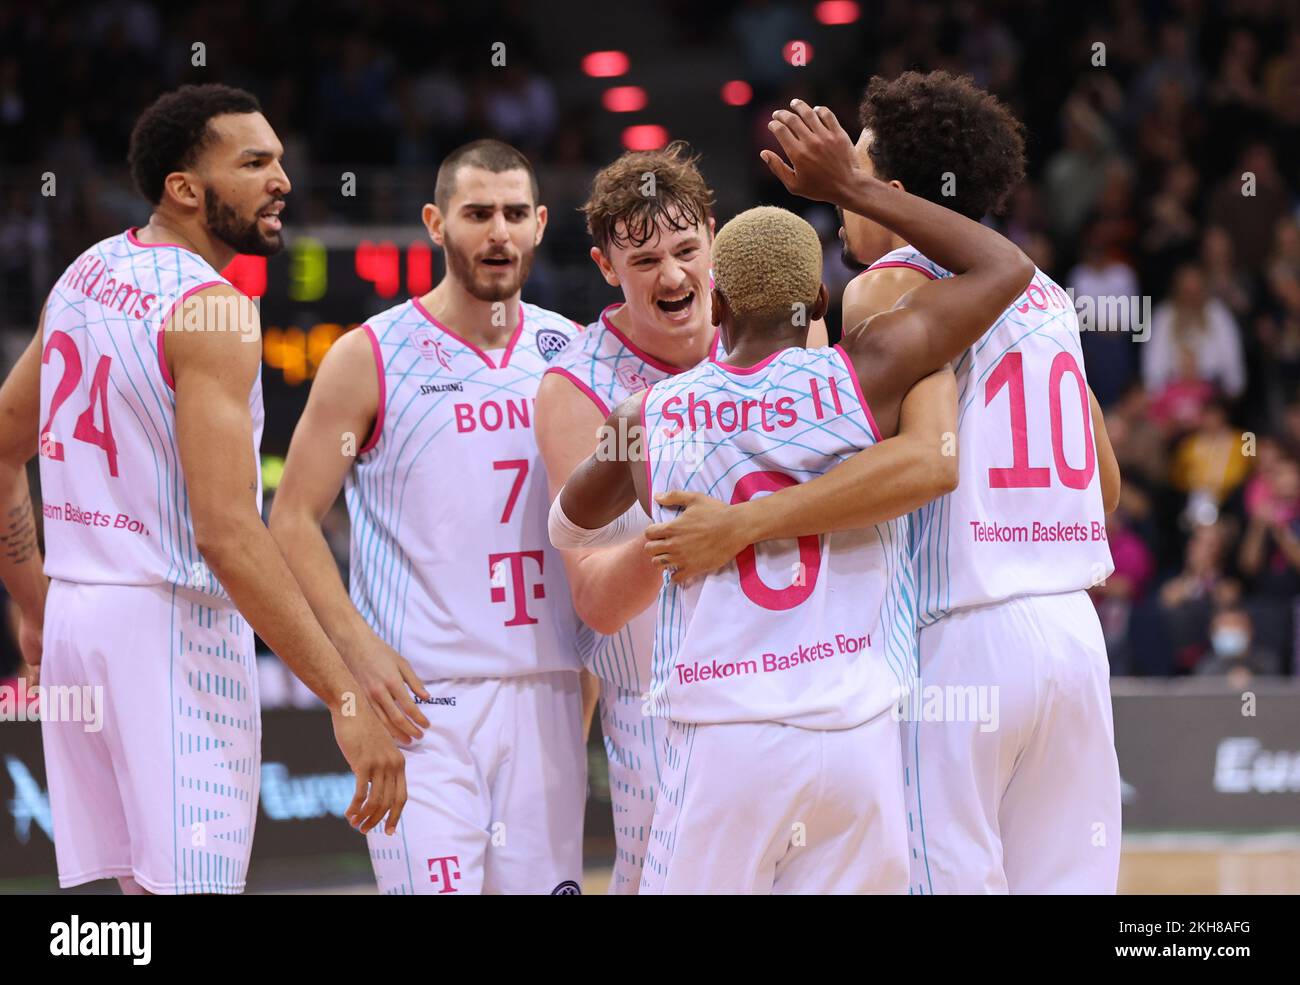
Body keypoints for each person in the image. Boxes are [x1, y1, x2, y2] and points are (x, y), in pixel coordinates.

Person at [648, 76, 1124, 895]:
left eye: (853, 175)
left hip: (963, 632)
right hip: (1075, 636)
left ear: (892, 193)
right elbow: (1103, 489)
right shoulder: (1046, 296)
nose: (839, 200)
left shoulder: (890, 285)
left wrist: (744, 521)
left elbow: (920, 463)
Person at [550, 100, 1034, 892]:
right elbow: (1003, 268)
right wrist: (860, 188)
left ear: (721, 297)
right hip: (856, 736)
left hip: (725, 737)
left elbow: (567, 523)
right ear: (816, 302)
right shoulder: (862, 373)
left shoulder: (652, 411)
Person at [0, 84, 404, 894]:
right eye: (254, 162)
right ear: (185, 189)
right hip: (169, 628)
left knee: (139, 902)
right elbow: (227, 532)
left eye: (281, 159)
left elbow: (3, 446)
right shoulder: (214, 311)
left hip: (84, 616)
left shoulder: (85, 272)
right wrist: (345, 697)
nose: (281, 178)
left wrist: (36, 601)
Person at [269, 140, 585, 895]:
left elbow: (593, 536)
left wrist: (589, 685)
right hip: (423, 704)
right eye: (477, 214)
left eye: (514, 214)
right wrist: (357, 654)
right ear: (435, 224)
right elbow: (290, 518)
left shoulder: (573, 353)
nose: (498, 233)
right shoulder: (369, 353)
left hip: (547, 693)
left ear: (540, 224)